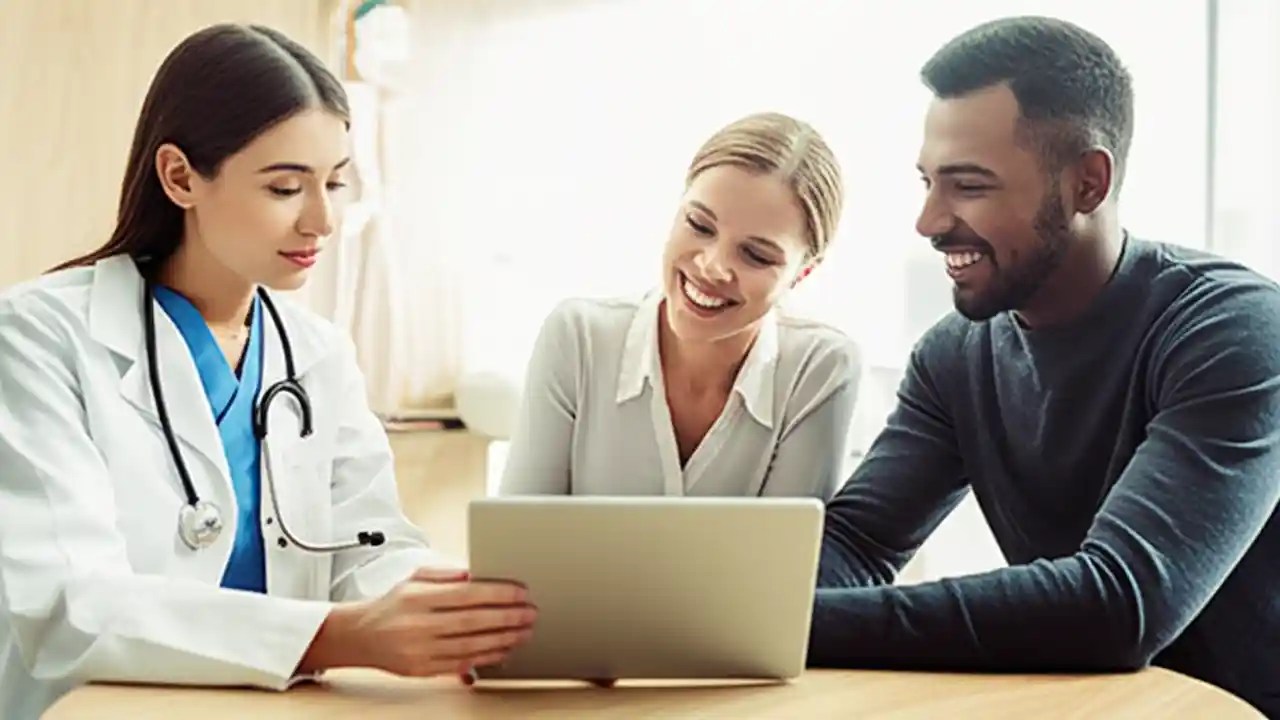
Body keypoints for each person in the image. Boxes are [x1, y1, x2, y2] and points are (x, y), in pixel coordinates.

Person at [0, 24, 534, 718]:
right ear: (180, 177)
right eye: (286, 188)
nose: (323, 221)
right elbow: (70, 607)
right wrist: (335, 635)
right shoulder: (39, 336)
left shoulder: (318, 353)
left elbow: (370, 548)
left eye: (336, 183)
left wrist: (451, 612)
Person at [807, 16, 1279, 717]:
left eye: (969, 185)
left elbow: (1120, 603)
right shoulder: (953, 355)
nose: (930, 220)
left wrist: (793, 625)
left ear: (1088, 183)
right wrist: (704, 622)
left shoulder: (1233, 330)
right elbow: (859, 540)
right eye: (928, 182)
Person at [499, 112, 861, 500]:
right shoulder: (578, 337)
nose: (712, 266)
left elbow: (787, 557)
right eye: (700, 226)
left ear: (801, 273)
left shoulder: (819, 369)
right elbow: (517, 542)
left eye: (755, 255)